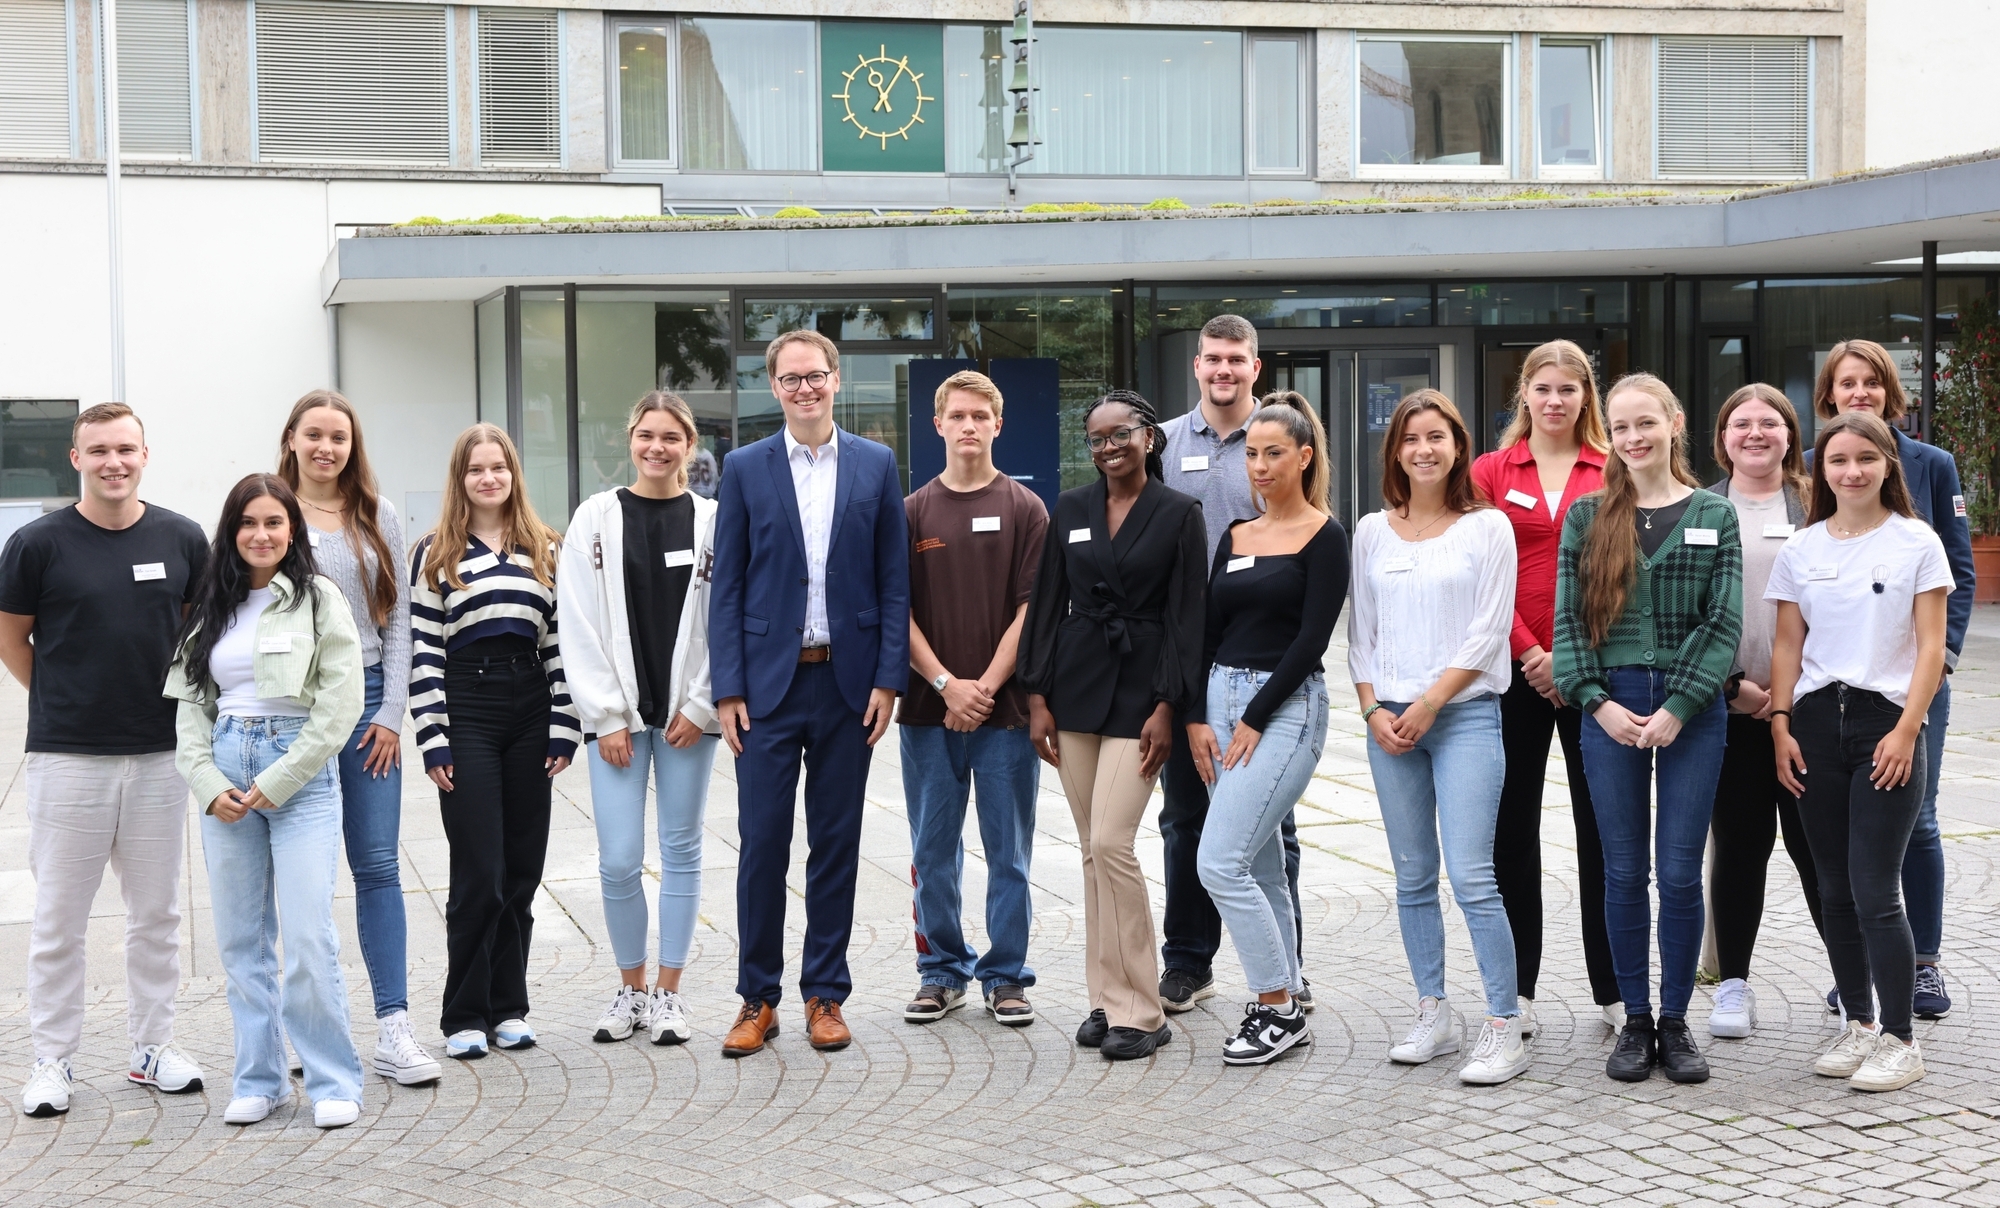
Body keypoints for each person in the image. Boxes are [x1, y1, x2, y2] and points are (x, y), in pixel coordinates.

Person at [3, 404, 211, 1118]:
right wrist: (66, 699)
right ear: (76, 459)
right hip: (69, 758)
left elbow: (196, 637)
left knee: (156, 915)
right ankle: (51, 1060)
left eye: (125, 449)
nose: (113, 462)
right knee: (60, 918)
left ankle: (153, 1048)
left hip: (159, 755)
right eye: (99, 451)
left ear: (145, 455)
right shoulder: (38, 544)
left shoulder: (184, 538)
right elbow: (13, 641)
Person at [709, 330, 910, 1058]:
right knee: (762, 843)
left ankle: (825, 993)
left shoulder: (876, 463)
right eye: (790, 379)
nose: (804, 389)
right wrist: (726, 687)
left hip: (848, 684)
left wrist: (890, 677)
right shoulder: (743, 467)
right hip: (765, 688)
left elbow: (894, 581)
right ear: (774, 387)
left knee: (836, 844)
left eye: (815, 376)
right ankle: (756, 999)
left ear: (835, 379)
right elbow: (725, 586)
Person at [1554, 373, 1741, 1086]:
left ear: (1673, 422)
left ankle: (1674, 1019)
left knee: (1679, 872)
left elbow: (1723, 624)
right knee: (1624, 870)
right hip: (1610, 705)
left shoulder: (1713, 515)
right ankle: (1634, 1019)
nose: (1634, 438)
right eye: (1621, 427)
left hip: (1691, 712)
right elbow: (1569, 625)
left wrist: (1680, 706)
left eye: (1645, 424)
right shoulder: (1588, 517)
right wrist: (1596, 702)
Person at [164, 474, 366, 1128]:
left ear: (291, 531)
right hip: (226, 775)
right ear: (232, 531)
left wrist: (277, 779)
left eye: (273, 523)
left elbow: (340, 705)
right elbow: (193, 708)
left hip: (299, 774)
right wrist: (208, 782)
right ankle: (262, 1078)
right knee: (242, 942)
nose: (261, 535)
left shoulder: (318, 599)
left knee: (309, 937)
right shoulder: (213, 607)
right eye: (248, 523)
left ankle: (334, 1080)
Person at [1769, 410, 1952, 1092]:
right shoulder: (1803, 548)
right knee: (1833, 888)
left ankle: (1902, 1039)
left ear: (1886, 466)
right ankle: (1860, 1024)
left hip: (1886, 722)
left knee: (1877, 889)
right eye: (1838, 461)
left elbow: (1931, 645)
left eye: (1865, 460)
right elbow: (1788, 644)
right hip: (1815, 722)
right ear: (1821, 472)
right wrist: (1781, 724)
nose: (1852, 471)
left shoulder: (1916, 542)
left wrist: (1908, 729)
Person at [1021, 389, 1205, 1061]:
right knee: (1091, 851)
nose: (1107, 447)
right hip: (1074, 689)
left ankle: (1142, 1008)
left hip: (1143, 695)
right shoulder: (1069, 508)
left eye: (1119, 434)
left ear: (1149, 438)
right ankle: (1105, 997)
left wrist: (1169, 704)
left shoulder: (1181, 513)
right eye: (1095, 438)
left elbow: (1189, 619)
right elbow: (1045, 603)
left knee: (1113, 841)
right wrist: (1036, 695)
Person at [1350, 390, 1527, 1083]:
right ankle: (1433, 1010)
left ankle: (1504, 1023)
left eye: (1438, 437)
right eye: (1410, 438)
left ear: (1458, 447)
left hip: (1462, 717)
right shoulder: (1369, 529)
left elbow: (1488, 633)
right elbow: (1359, 632)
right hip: (1386, 722)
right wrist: (1372, 711)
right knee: (1413, 877)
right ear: (1394, 450)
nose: (1424, 449)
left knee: (1474, 878)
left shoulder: (1488, 528)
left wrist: (1428, 704)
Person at [275, 390, 439, 1086]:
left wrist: (391, 714)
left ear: (351, 445)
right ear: (291, 438)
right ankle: (308, 1032)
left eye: (338, 437)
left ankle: (394, 1029)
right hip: (295, 710)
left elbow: (398, 620)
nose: (326, 448)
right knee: (301, 878)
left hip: (370, 704)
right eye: (314, 435)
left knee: (376, 866)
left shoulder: (380, 515)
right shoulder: (268, 513)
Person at [1812, 339, 1975, 1020]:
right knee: (1847, 834)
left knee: (1921, 821)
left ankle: (1924, 965)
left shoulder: (1931, 466)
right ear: (1829, 395)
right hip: (1837, 688)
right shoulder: (1814, 467)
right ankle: (1864, 967)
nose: (1860, 393)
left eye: (1871, 382)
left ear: (1890, 392)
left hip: (1913, 684)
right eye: (1847, 383)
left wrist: (1942, 664)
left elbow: (1959, 574)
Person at [410, 424, 579, 1060]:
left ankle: (509, 1007)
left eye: (499, 468)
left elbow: (559, 645)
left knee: (521, 870)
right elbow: (424, 649)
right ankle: (463, 1015)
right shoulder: (434, 553)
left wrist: (564, 724)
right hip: (467, 707)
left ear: (513, 475)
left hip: (531, 705)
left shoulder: (546, 548)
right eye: (476, 469)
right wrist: (434, 737)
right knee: (479, 871)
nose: (488, 479)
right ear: (460, 479)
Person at [1157, 314, 1310, 1014]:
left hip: (1262, 651)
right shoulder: (1163, 443)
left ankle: (1288, 970)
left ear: (1256, 366)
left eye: (1236, 359)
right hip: (1189, 649)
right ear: (1197, 366)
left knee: (1271, 830)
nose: (1224, 370)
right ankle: (1189, 961)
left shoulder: (1275, 440)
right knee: (1185, 815)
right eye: (1213, 359)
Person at [559, 393, 721, 1047]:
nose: (657, 448)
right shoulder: (595, 519)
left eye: (671, 437)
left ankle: (669, 997)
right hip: (617, 722)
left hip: (688, 718)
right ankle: (629, 989)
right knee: (620, 858)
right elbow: (577, 619)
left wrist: (702, 704)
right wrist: (604, 715)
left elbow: (725, 621)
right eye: (646, 435)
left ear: (690, 443)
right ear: (630, 440)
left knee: (681, 852)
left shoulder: (714, 521)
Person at [1468, 339, 1620, 1034]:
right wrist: (1533, 652)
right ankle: (1517, 993)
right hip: (1512, 673)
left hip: (1594, 674)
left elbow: (1626, 573)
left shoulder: (1613, 468)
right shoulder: (1492, 471)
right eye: (1543, 389)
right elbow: (1479, 578)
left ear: (1586, 396)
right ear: (1523, 396)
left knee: (1604, 832)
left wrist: (1573, 658)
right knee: (1510, 835)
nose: (1555, 401)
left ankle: (1615, 993)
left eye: (1569, 389)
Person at [1188, 392, 1345, 1066]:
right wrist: (1199, 714)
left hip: (1284, 707)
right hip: (1221, 697)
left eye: (1272, 453)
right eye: (1251, 454)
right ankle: (1294, 984)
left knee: (1218, 861)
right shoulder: (1236, 537)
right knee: (1260, 864)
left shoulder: (1326, 535)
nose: (1258, 466)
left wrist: (1253, 716)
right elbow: (1209, 629)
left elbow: (1311, 640)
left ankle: (1276, 1006)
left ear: (1304, 457)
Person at [899, 370, 1048, 1028]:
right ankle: (942, 972)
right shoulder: (911, 513)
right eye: (955, 415)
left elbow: (1032, 609)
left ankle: (1007, 976)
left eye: (978, 416)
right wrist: (945, 685)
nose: (967, 426)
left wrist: (984, 687)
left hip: (1004, 717)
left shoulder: (1025, 509)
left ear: (997, 424)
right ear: (938, 425)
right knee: (932, 853)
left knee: (1008, 854)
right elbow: (894, 612)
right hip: (930, 716)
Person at [1703, 384, 1822, 1041]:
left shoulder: (1816, 503)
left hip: (1808, 708)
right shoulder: (1700, 509)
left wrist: (1798, 688)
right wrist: (1734, 688)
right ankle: (1733, 987)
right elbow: (1687, 612)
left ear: (1790, 433)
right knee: (1741, 849)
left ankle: (1853, 988)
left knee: (1818, 852)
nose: (1755, 433)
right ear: (1722, 437)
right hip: (1732, 707)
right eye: (1740, 423)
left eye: (1768, 423)